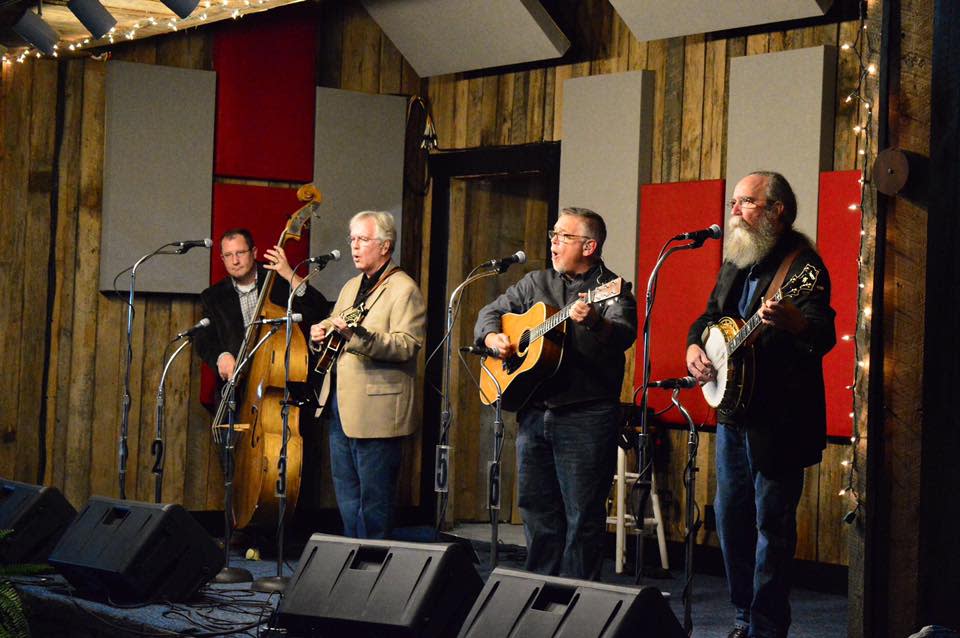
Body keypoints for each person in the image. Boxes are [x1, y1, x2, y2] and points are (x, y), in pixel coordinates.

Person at [685, 171, 836, 638]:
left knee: (772, 524)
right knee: (731, 519)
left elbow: (823, 334)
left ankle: (767, 627)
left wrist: (793, 323)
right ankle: (742, 614)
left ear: (777, 211)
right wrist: (694, 347)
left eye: (746, 202)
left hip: (779, 420)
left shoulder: (805, 267)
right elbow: (709, 317)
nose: (734, 211)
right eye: (734, 201)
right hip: (733, 414)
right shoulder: (736, 260)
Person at [473, 207, 637, 581]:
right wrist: (492, 336)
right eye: (554, 235)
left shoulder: (614, 290)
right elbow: (491, 311)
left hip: (586, 415)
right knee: (537, 510)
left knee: (582, 516)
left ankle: (577, 600)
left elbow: (623, 336)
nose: (554, 242)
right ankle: (539, 593)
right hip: (534, 413)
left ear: (590, 246)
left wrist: (594, 320)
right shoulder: (535, 282)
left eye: (564, 236)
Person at [309, 211, 425, 539]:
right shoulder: (350, 287)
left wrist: (354, 336)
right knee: (346, 496)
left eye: (362, 239)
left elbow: (407, 345)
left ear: (385, 247)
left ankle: (373, 566)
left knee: (375, 501)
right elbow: (337, 330)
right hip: (341, 406)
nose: (354, 247)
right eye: (352, 239)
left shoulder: (404, 290)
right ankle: (352, 562)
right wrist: (320, 335)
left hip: (378, 411)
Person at [194, 228, 330, 385]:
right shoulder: (213, 296)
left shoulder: (278, 279)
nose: (235, 261)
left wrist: (289, 275)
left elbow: (320, 309)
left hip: (281, 378)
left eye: (240, 253)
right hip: (237, 386)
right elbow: (203, 339)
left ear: (254, 252)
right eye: (228, 255)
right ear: (222, 258)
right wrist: (221, 356)